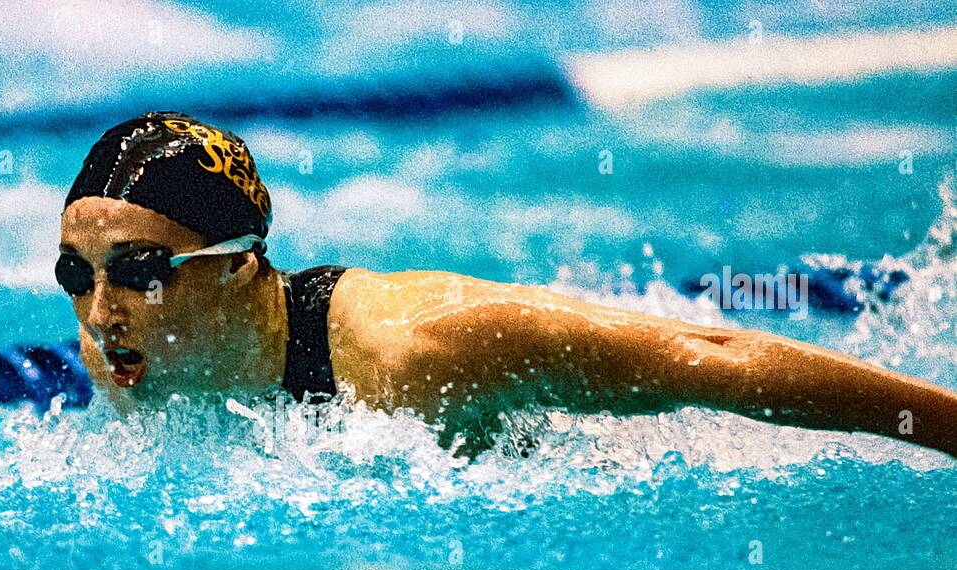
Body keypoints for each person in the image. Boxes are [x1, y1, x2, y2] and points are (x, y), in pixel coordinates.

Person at [58, 111, 957, 458]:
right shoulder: (129, 354)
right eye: (77, 275)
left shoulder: (414, 346)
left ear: (241, 258)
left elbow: (709, 357)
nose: (101, 314)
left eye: (141, 274)